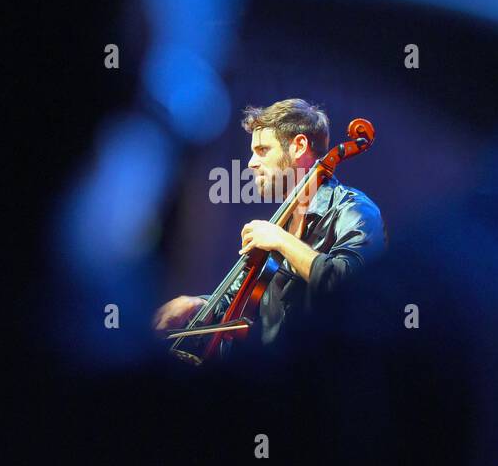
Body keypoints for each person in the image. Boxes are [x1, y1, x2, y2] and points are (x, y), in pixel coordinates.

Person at [153, 98, 385, 349]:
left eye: (262, 150)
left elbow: (355, 286)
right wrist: (198, 305)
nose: (251, 162)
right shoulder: (281, 222)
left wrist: (282, 241)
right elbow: (239, 303)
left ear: (299, 146)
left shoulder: (354, 209)